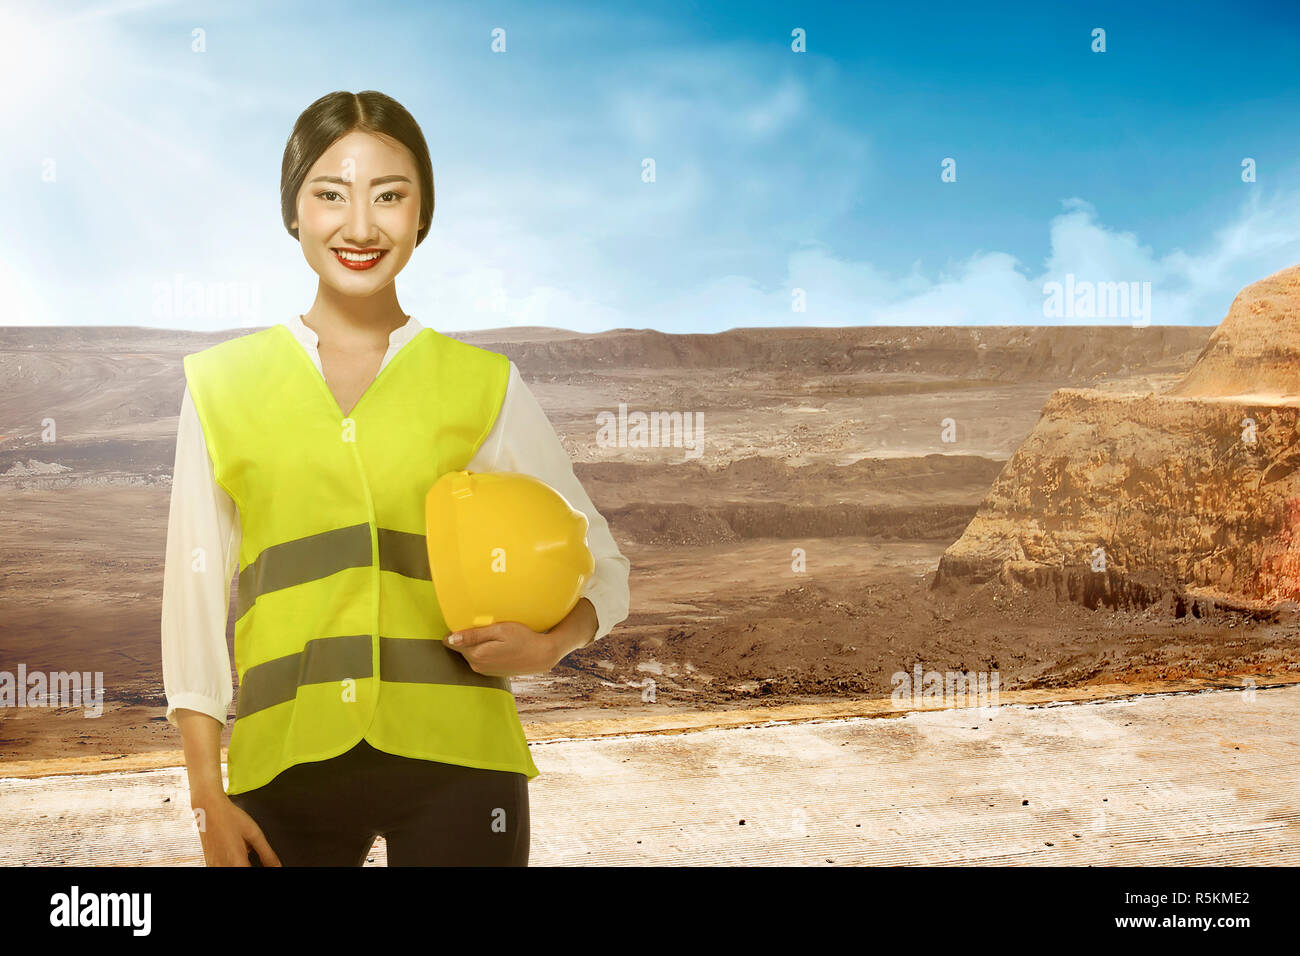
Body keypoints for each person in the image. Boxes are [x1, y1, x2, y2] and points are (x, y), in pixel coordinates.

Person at [160, 90, 630, 867]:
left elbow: (602, 562)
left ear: (422, 215)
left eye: (389, 196)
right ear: (293, 212)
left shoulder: (483, 383)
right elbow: (193, 596)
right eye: (330, 195)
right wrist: (207, 795)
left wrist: (552, 643)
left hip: (463, 764)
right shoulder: (219, 385)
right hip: (284, 765)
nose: (360, 227)